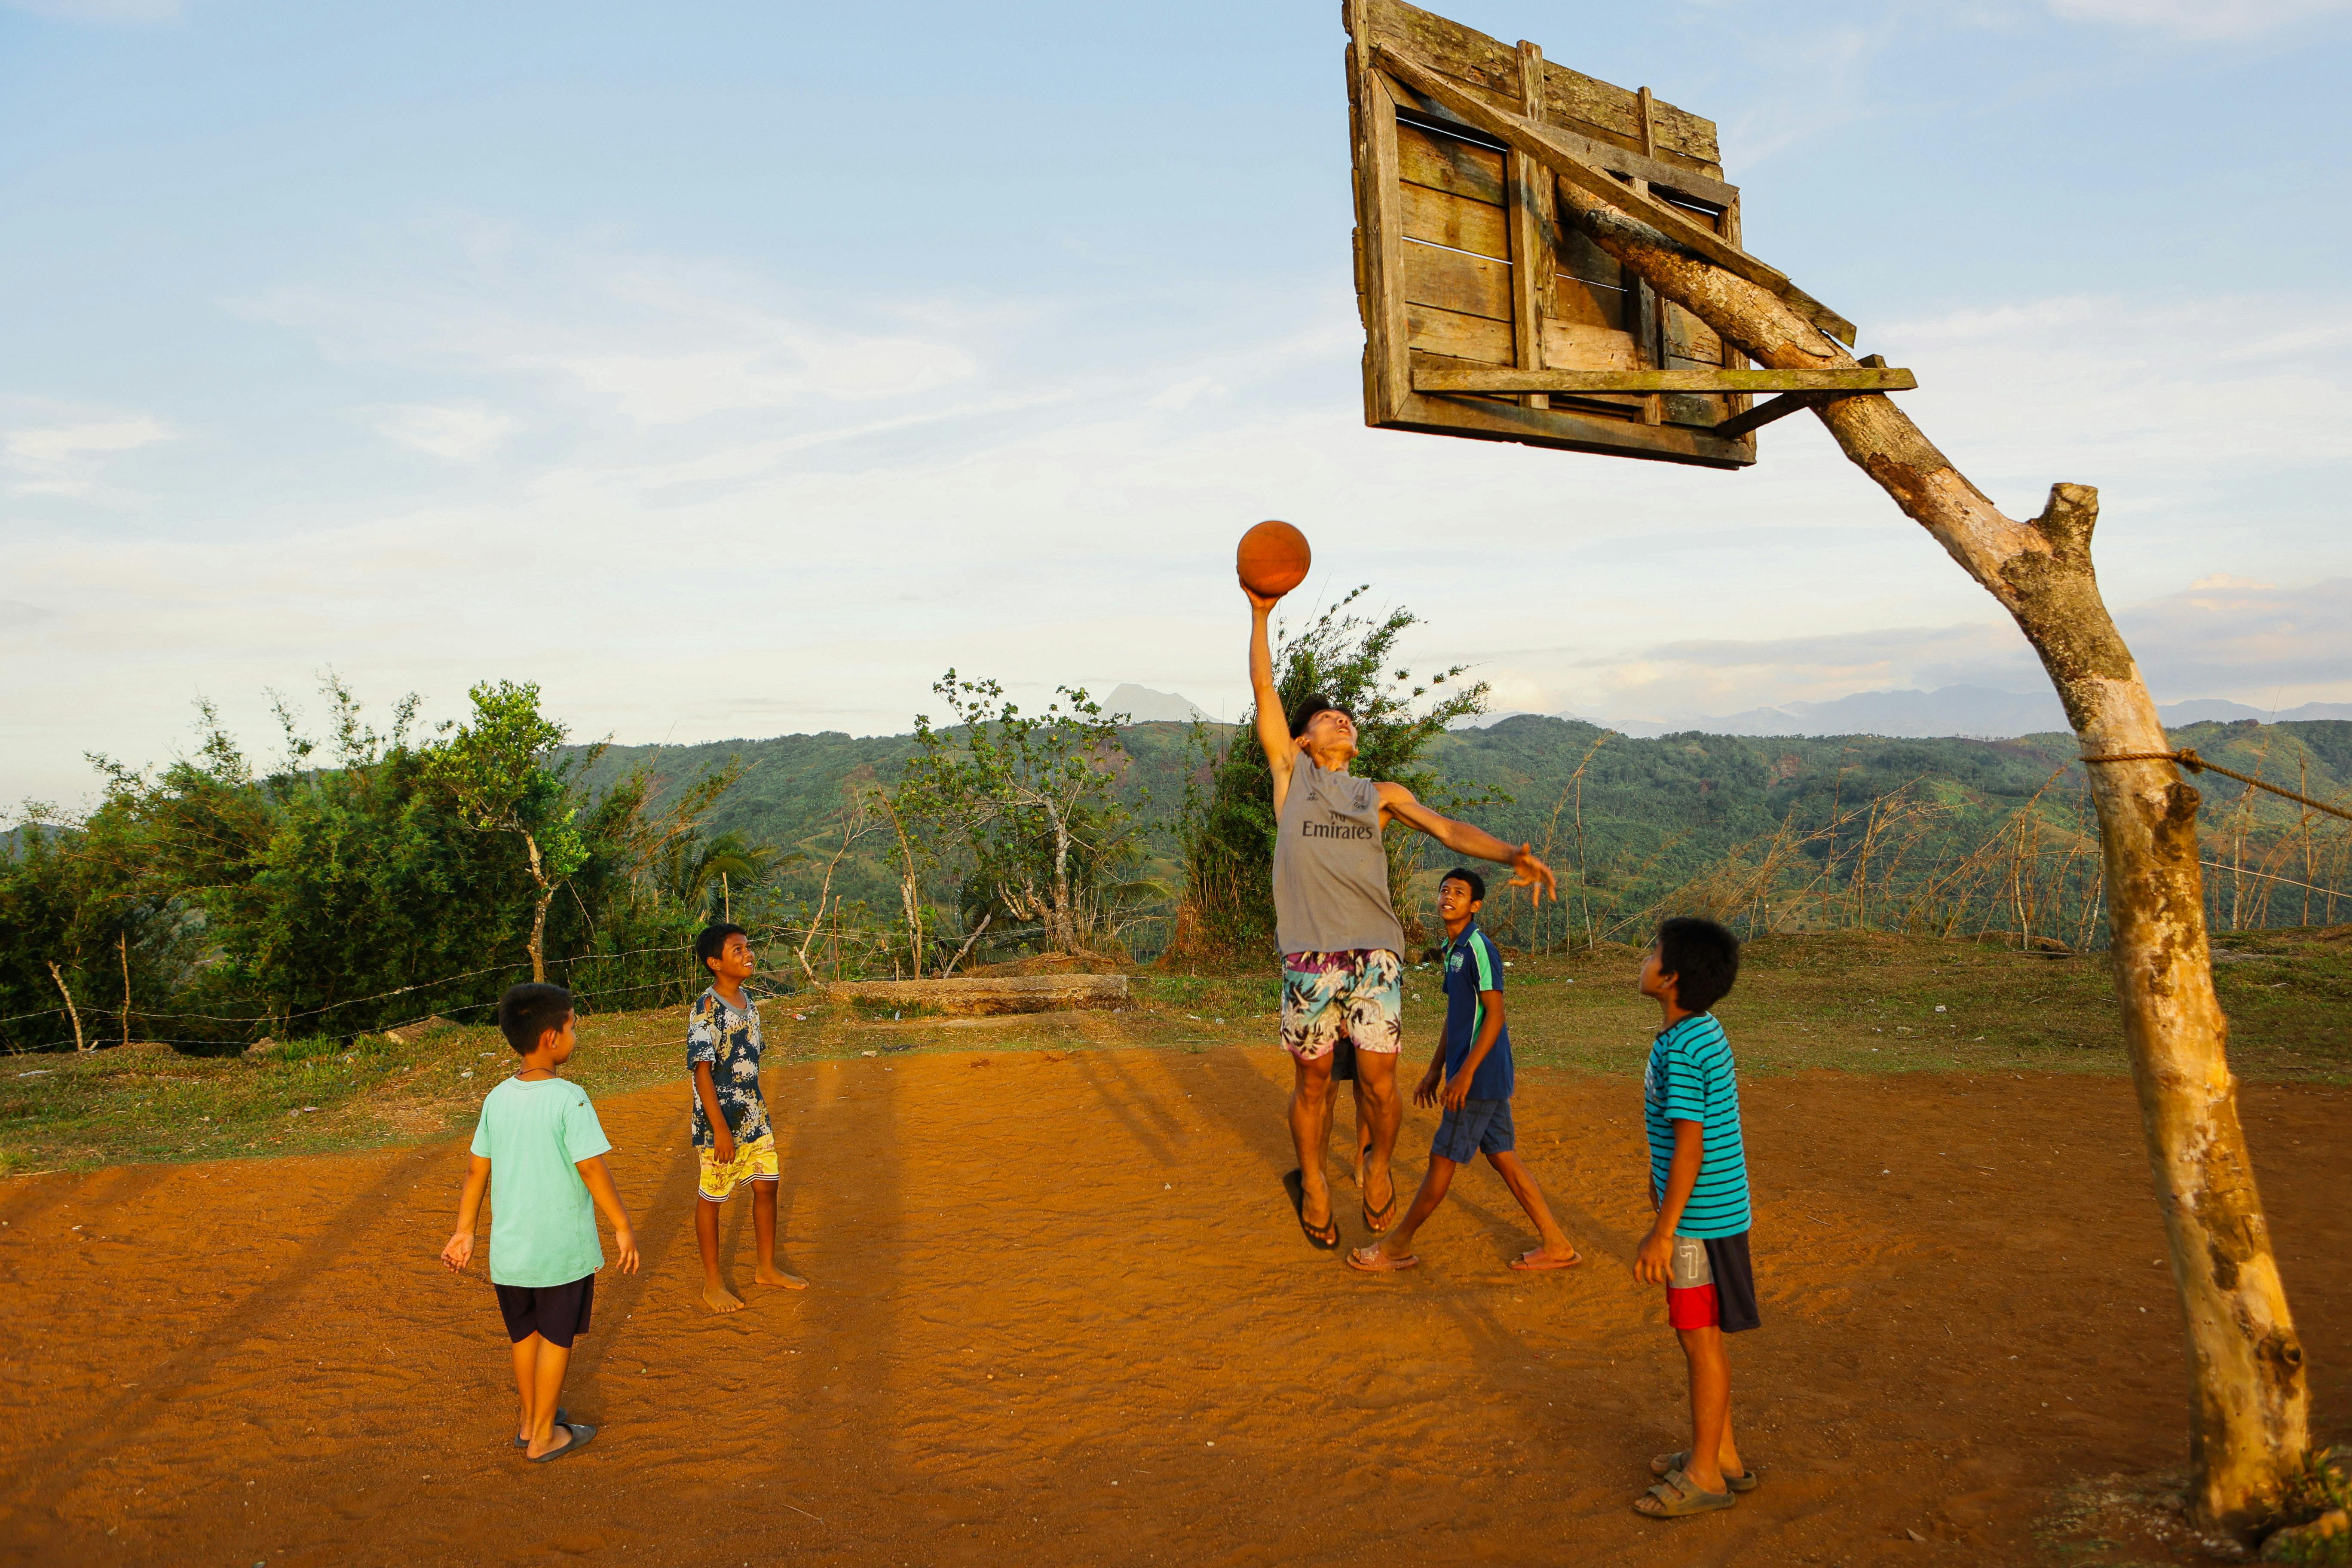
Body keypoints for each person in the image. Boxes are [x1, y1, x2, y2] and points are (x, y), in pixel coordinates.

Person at [1243, 582, 1559, 1250]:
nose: (1342, 721)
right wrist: (1260, 615)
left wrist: (1510, 855)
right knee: (1314, 1080)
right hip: (1310, 956)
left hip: (1375, 956)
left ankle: (1377, 1163)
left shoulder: (1380, 794)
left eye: (1347, 717)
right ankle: (1316, 1181)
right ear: (1300, 741)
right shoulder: (1290, 778)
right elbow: (1265, 691)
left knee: (1382, 1086)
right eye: (1327, 718)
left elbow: (1447, 831)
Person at [440, 982, 640, 1463]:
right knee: (556, 1339)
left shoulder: (497, 1098)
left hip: (510, 1254)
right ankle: (545, 1439)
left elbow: (476, 1168)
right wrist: (621, 1225)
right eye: (573, 1027)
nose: (576, 1036)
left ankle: (532, 1422)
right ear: (552, 1037)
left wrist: (464, 1230)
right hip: (559, 1253)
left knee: (524, 1335)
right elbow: (592, 1167)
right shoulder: (569, 1098)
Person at [1345, 867, 1582, 1275]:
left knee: (1441, 1160)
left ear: (1475, 906)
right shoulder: (1453, 950)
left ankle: (1397, 1245)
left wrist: (1466, 1074)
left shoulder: (1478, 949)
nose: (1447, 896)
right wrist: (1436, 1070)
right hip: (1473, 1075)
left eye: (1458, 892)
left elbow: (1495, 1015)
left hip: (1479, 1077)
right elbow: (1457, 1018)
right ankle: (1557, 1244)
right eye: (1443, 890)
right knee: (1505, 1158)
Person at [1629, 916, 1759, 1519]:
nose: (1645, 958)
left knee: (1698, 1340)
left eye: (1654, 952)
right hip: (1720, 1210)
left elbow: (1690, 1145)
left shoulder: (1682, 1049)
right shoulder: (1703, 1030)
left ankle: (1705, 1476)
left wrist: (1664, 1231)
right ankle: (1724, 1455)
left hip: (1697, 1224)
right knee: (1703, 1339)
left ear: (1672, 977)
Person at [689, 922, 805, 1313]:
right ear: (714, 963)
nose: (748, 954)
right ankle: (712, 1283)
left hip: (753, 1113)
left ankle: (766, 1268)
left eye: (747, 947)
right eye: (737, 950)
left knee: (767, 1185)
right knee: (713, 1197)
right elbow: (702, 1071)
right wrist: (720, 1129)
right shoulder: (705, 1010)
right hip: (718, 1122)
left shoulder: (748, 1001)